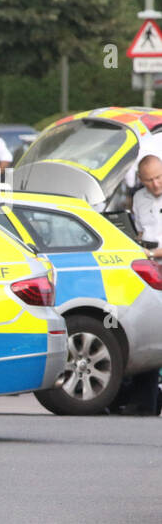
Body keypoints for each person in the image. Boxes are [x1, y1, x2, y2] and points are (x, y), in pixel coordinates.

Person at [116, 155, 162, 415]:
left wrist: (153, 255)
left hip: (155, 261)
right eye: (149, 180)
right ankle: (146, 398)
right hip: (150, 270)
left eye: (159, 178)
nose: (155, 185)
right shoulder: (140, 199)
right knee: (149, 332)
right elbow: (140, 233)